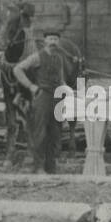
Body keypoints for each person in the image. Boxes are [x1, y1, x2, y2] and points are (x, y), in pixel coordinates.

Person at [12, 28, 71, 174]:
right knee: (40, 133)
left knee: (55, 132)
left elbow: (60, 78)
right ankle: (38, 167)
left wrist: (66, 89)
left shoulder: (59, 58)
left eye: (55, 39)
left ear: (59, 41)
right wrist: (31, 86)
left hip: (57, 98)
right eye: (50, 39)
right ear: (45, 41)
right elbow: (17, 69)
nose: (53, 42)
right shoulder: (37, 57)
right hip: (42, 97)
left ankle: (51, 167)